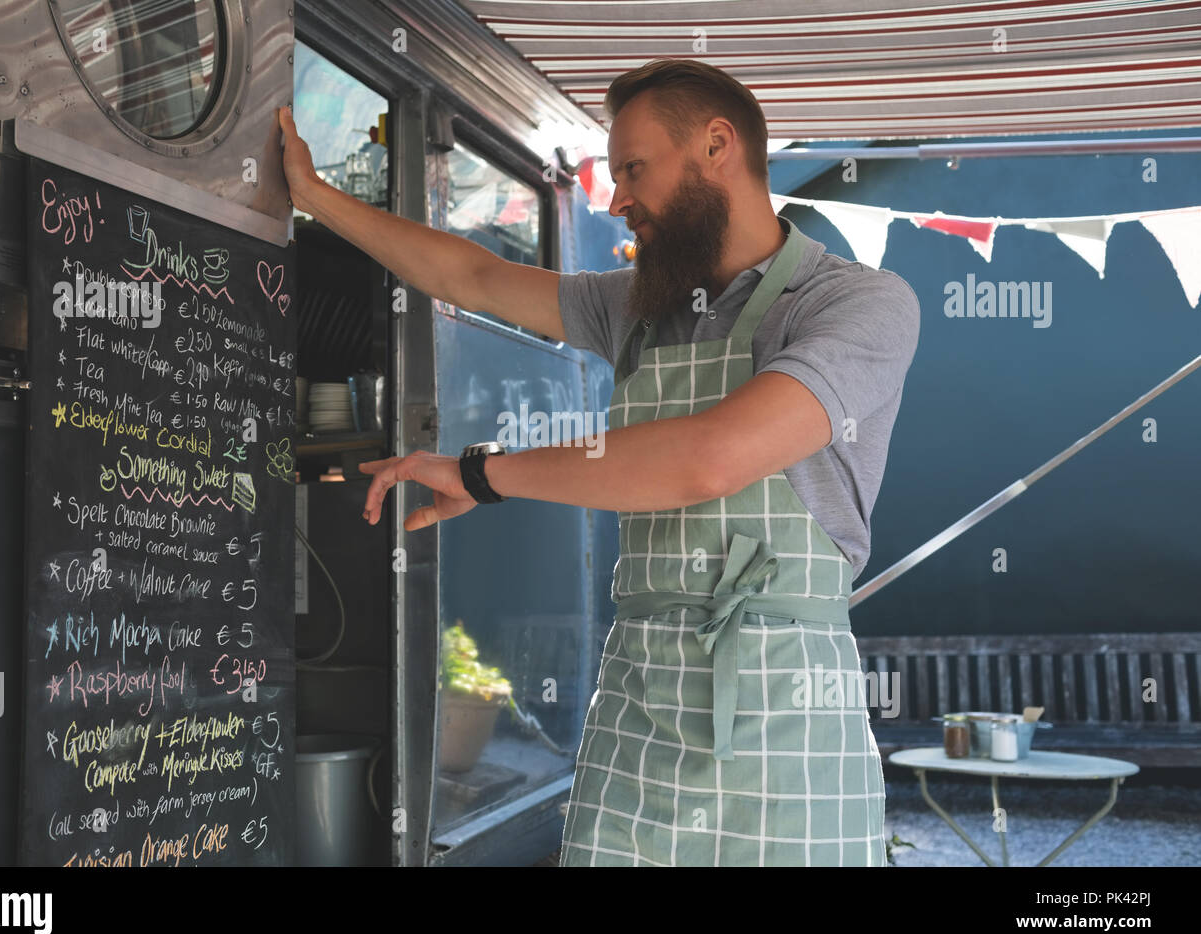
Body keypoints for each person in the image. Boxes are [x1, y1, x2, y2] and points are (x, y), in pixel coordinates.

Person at [277, 56, 919, 867]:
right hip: (637, 700)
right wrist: (318, 199)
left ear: (717, 146)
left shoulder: (859, 304)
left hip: (785, 707)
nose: (618, 200)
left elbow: (710, 458)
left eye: (634, 170)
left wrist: (483, 473)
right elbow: (472, 275)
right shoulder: (637, 305)